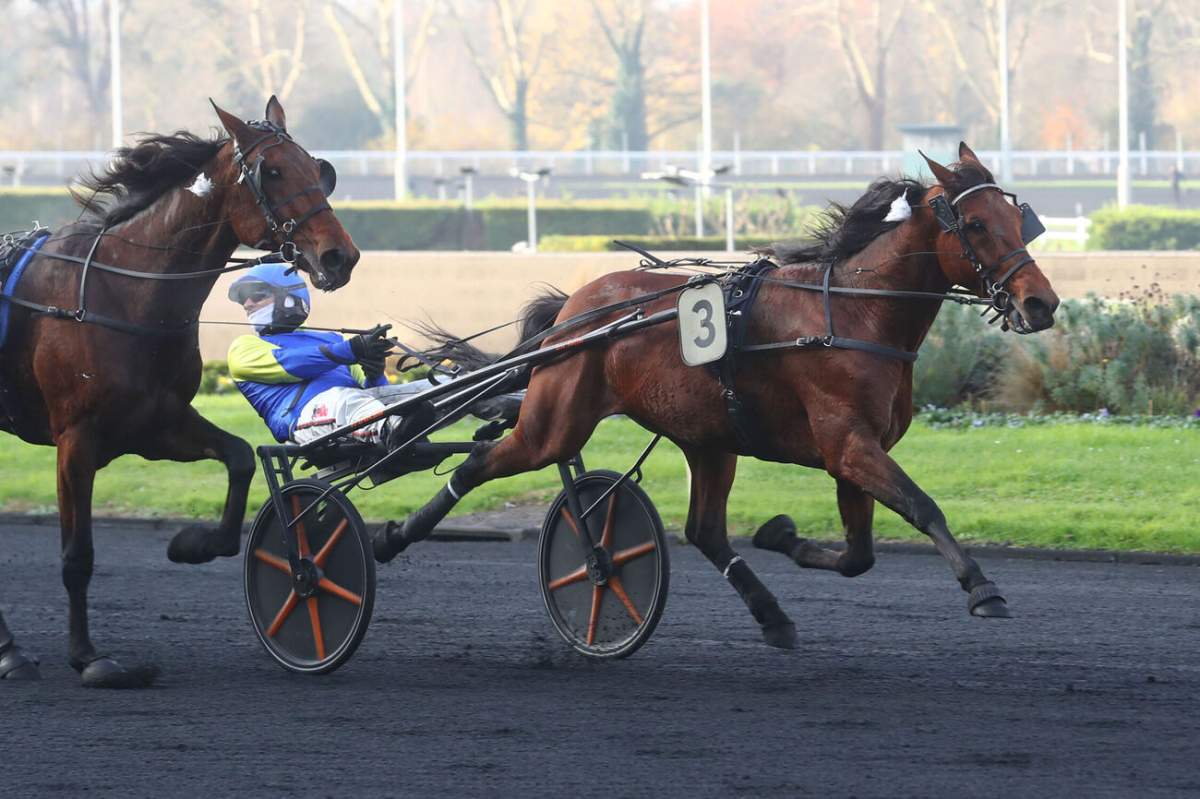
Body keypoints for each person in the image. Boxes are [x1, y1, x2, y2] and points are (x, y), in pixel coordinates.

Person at [226, 263, 433, 448]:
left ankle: (461, 395)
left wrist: (375, 372)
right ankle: (396, 432)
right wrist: (350, 350)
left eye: (257, 295)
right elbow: (291, 365)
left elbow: (377, 394)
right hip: (301, 419)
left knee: (433, 387)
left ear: (288, 298)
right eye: (244, 298)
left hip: (352, 413)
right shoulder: (244, 347)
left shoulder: (333, 339)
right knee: (340, 397)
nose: (247, 304)